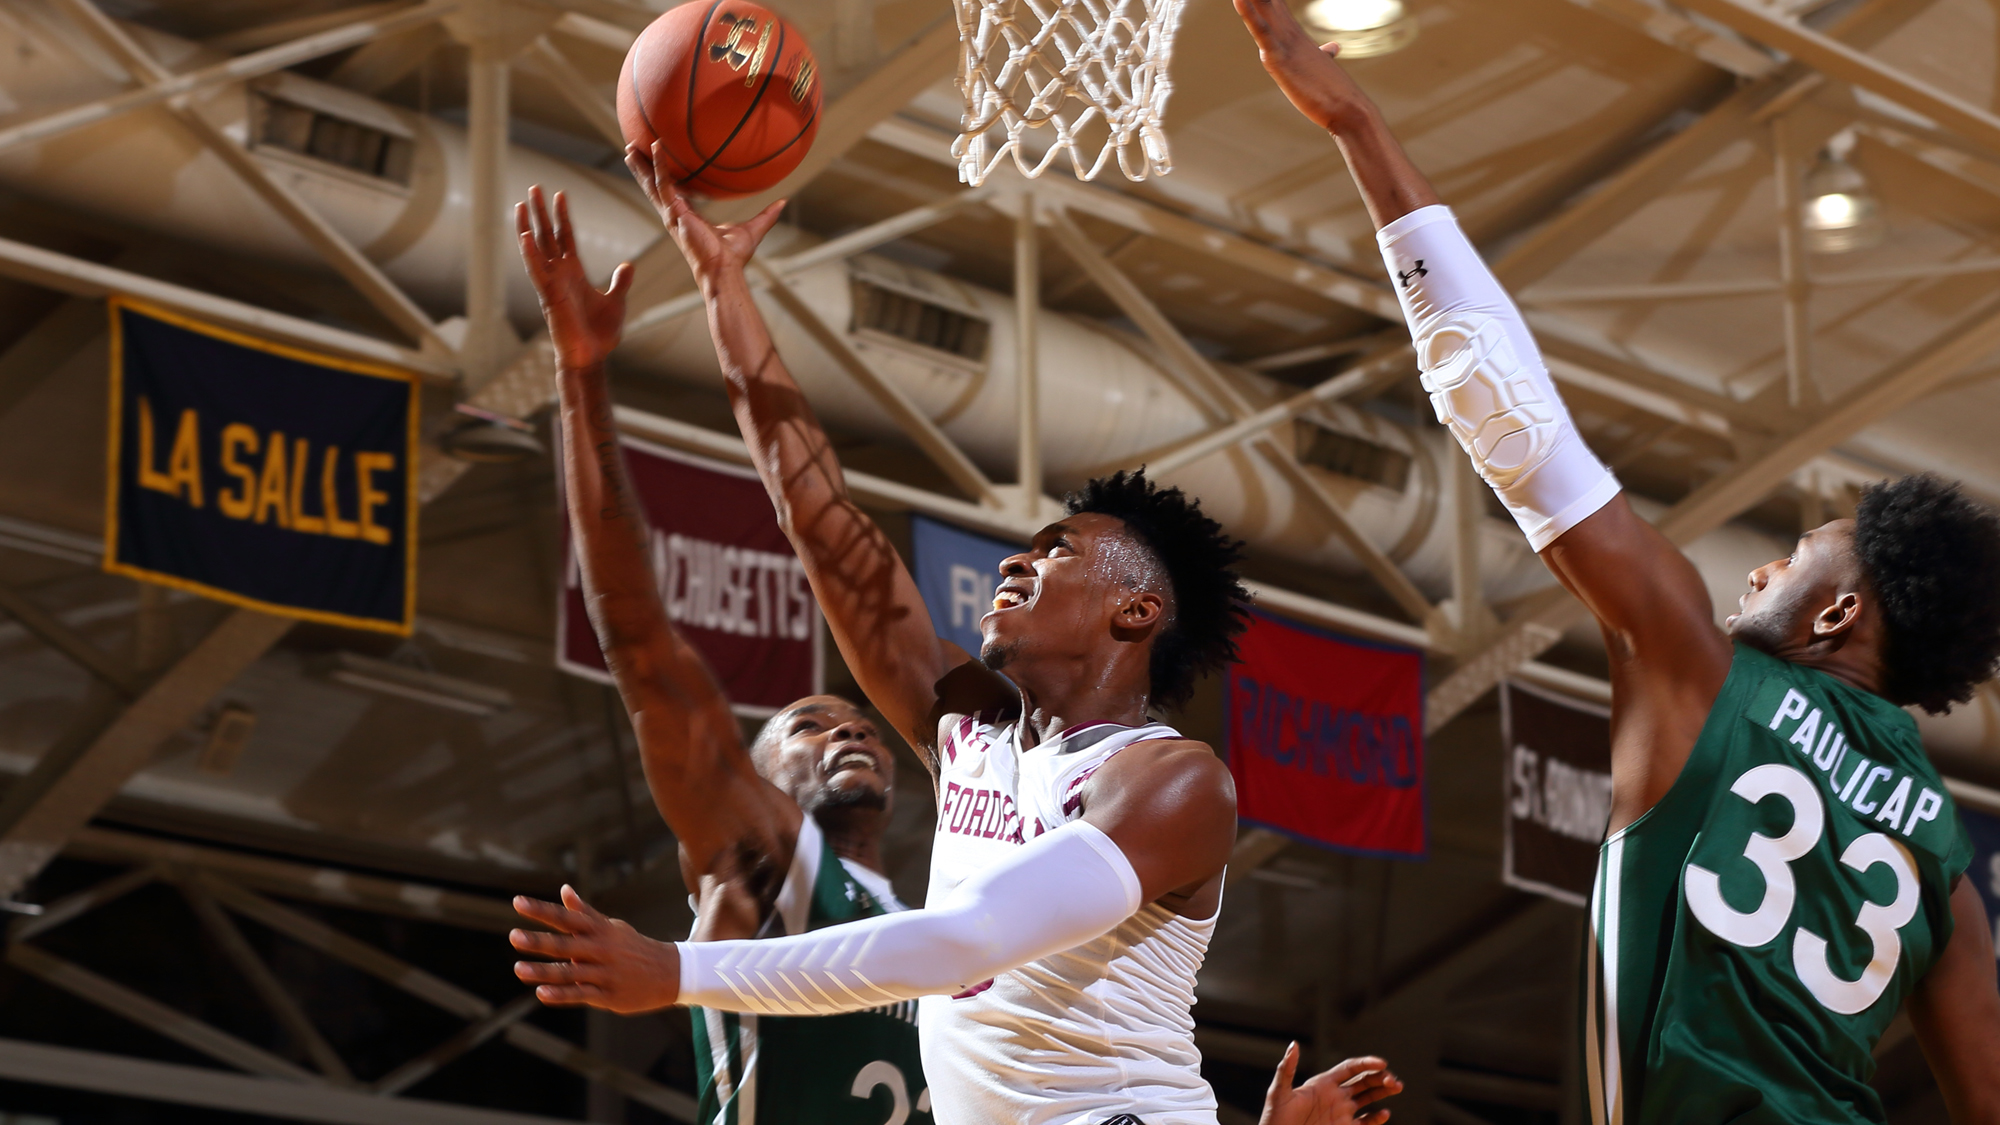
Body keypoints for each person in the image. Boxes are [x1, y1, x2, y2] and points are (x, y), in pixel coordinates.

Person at [1228, 2, 2000, 1122]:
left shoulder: (1704, 671)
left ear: (1834, 618)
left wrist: (1357, 127)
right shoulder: (1937, 847)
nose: (1751, 576)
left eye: (1786, 560)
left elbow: (1512, 421)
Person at [507, 171, 1404, 1125]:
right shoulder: (970, 728)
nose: (1019, 559)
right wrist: (720, 294)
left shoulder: (1173, 783)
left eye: (1058, 550)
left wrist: (674, 969)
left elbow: (967, 939)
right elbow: (818, 517)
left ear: (1136, 612)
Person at [511, 186, 926, 1125]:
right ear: (756, 772)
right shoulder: (770, 856)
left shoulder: (941, 935)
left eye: (857, 720)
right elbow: (639, 639)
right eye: (808, 725)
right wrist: (582, 378)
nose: (846, 729)